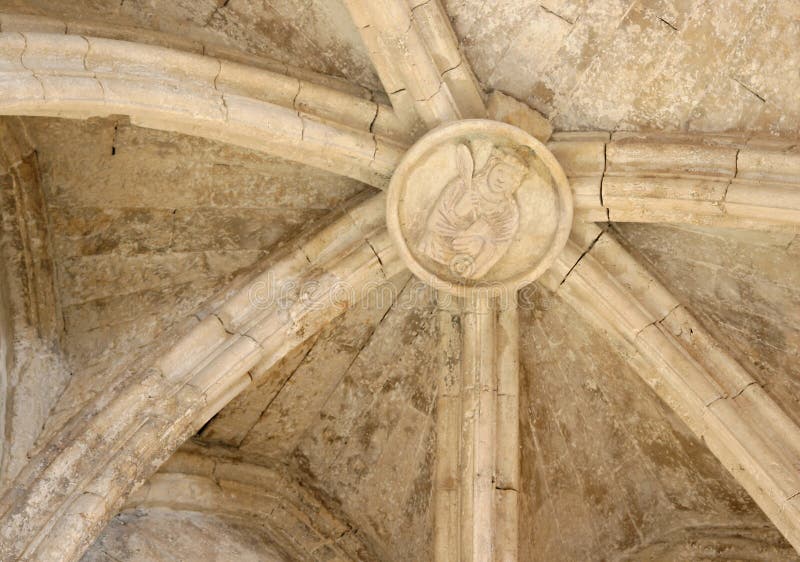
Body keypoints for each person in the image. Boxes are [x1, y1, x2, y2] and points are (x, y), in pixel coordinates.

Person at [417, 143, 528, 280]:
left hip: (469, 263)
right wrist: (458, 212)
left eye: (510, 177)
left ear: (515, 182)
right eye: (500, 171)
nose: (501, 179)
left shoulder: (508, 211)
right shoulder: (461, 187)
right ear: (490, 167)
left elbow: (500, 247)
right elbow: (433, 225)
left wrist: (481, 247)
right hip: (437, 251)